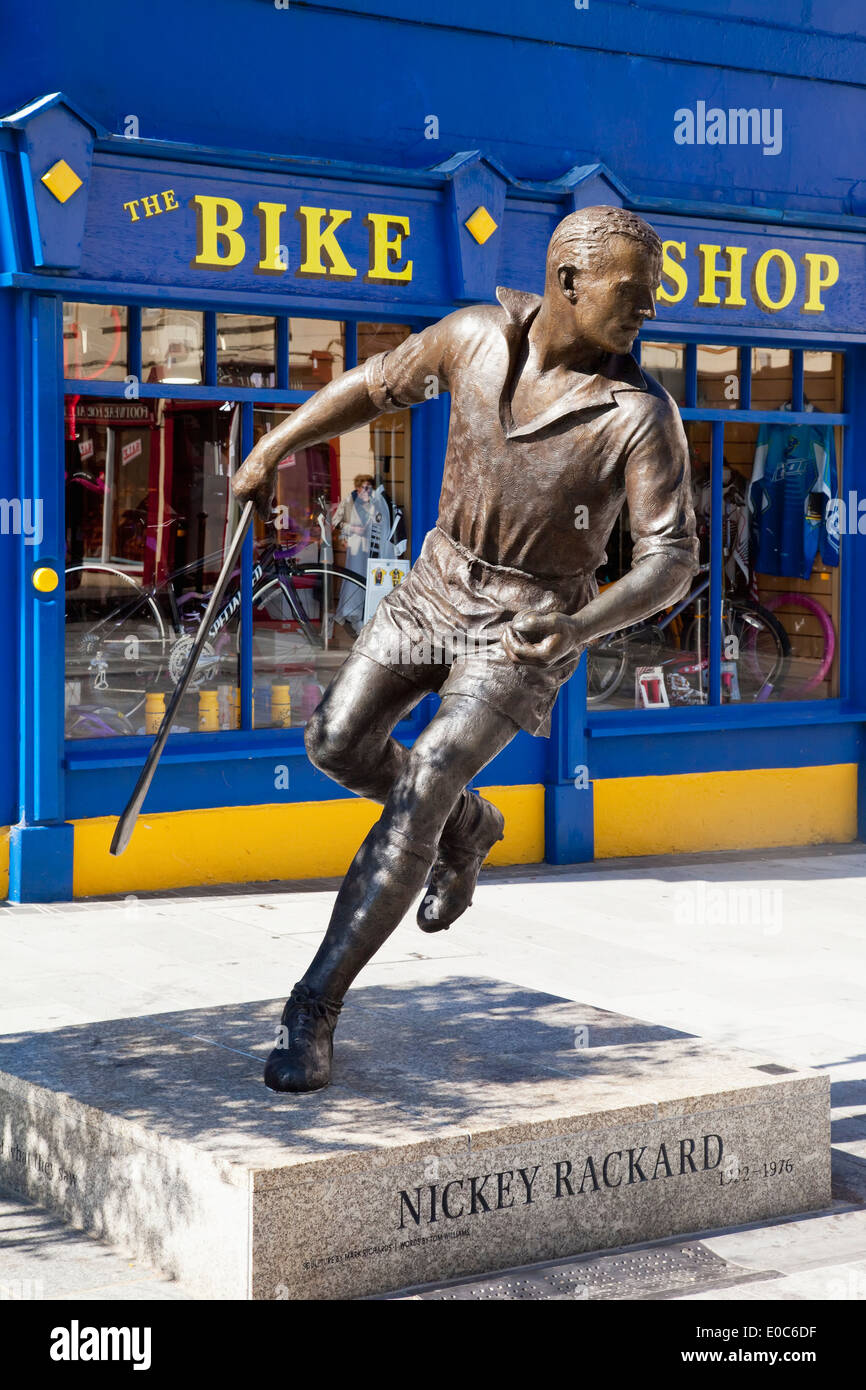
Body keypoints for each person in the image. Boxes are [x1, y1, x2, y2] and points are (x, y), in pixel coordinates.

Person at [232, 205, 699, 1093]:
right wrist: (274, 444)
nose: (649, 310)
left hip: (532, 621)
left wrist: (581, 626)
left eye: (653, 294)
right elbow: (373, 386)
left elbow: (672, 558)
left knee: (431, 771)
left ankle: (314, 1007)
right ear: (568, 283)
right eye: (632, 293)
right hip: (437, 585)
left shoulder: (642, 415)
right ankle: (471, 828)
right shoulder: (474, 337)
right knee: (334, 744)